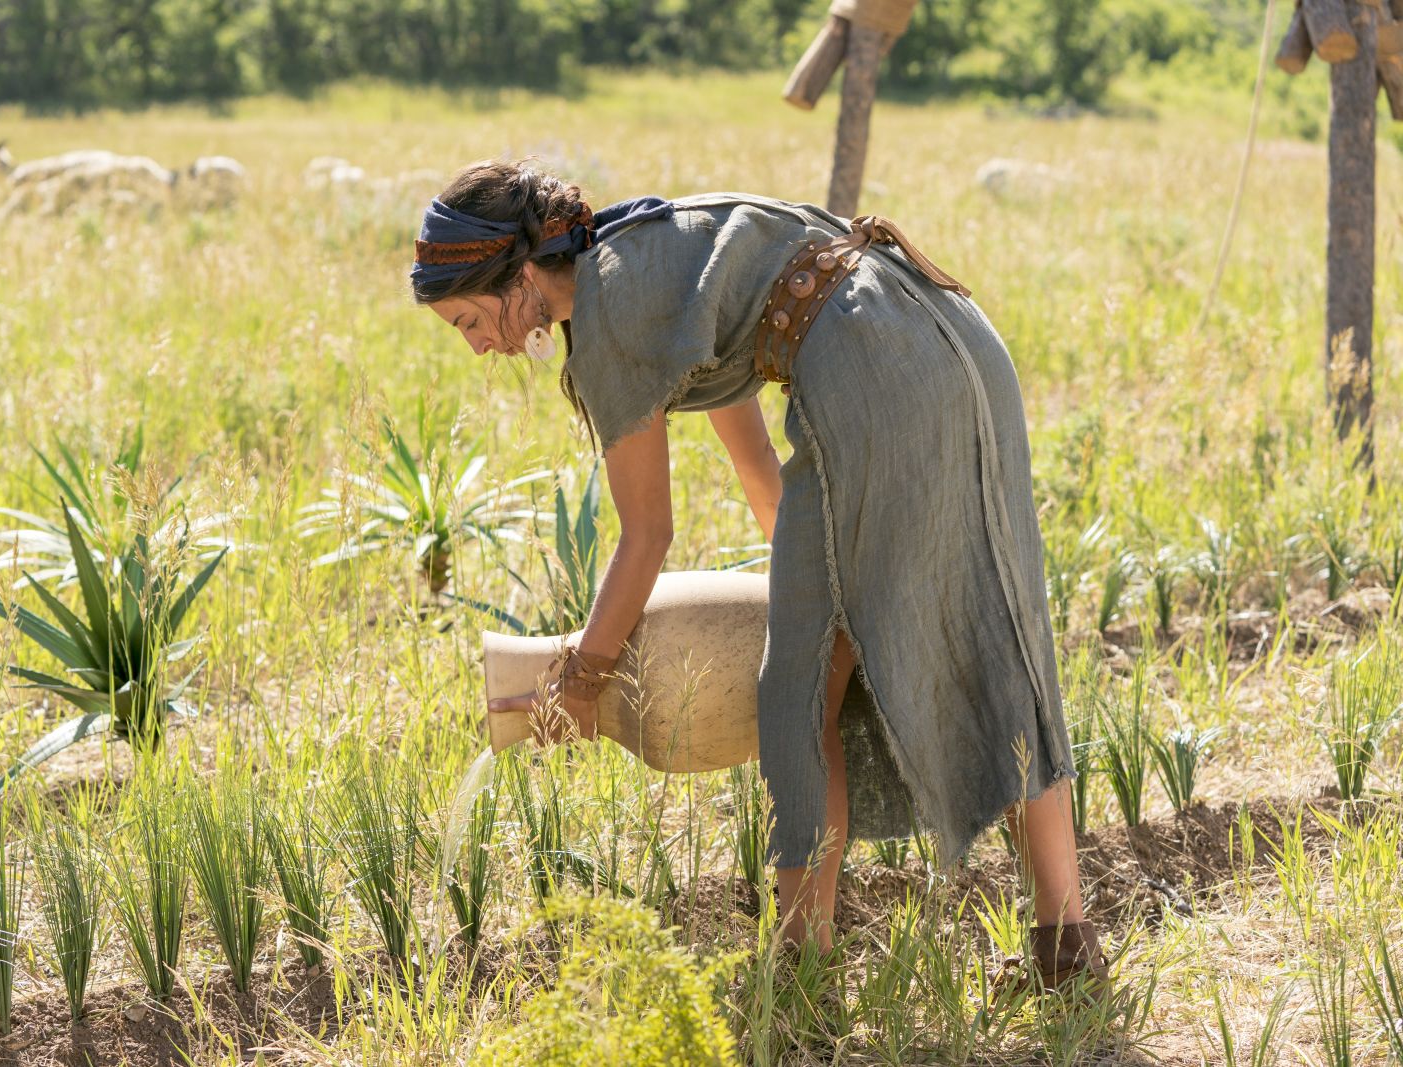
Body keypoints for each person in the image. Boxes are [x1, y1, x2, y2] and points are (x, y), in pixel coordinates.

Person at [410, 159, 1110, 999]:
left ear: (518, 276)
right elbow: (752, 459)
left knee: (798, 691)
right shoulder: (642, 251)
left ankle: (801, 975)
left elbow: (647, 537)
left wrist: (583, 677)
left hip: (876, 372)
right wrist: (827, 594)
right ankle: (1066, 950)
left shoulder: (606, 319)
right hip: (949, 335)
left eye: (467, 320)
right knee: (1000, 632)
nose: (479, 345)